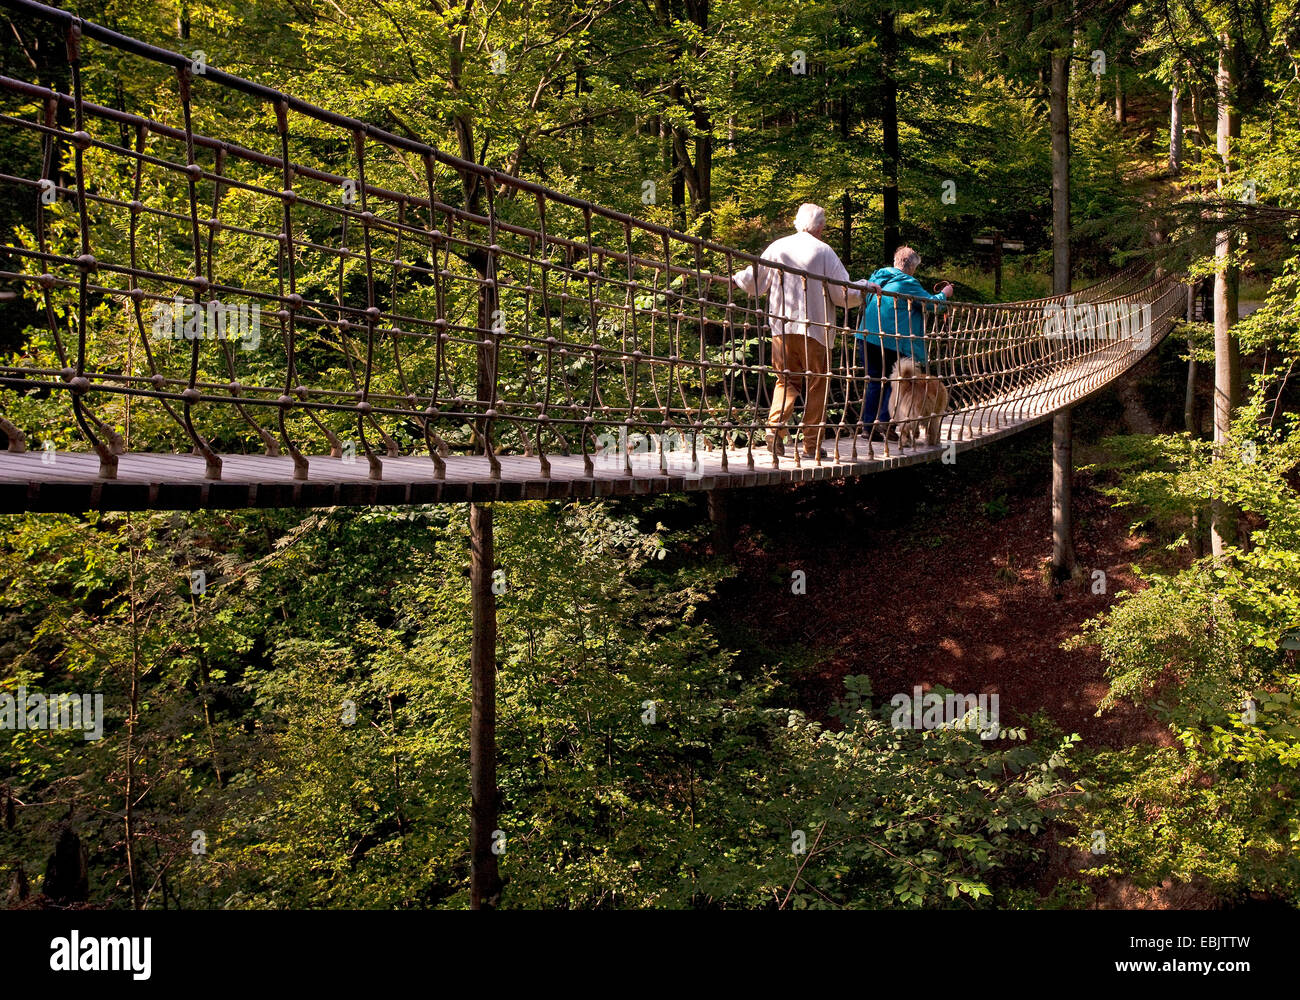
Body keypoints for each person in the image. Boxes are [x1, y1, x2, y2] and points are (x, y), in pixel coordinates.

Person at [732, 204, 880, 458]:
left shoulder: (778, 246)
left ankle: (774, 428)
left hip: (782, 327)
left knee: (786, 380)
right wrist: (865, 286)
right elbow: (841, 292)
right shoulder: (824, 251)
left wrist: (737, 279)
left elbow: (755, 279)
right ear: (820, 227)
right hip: (815, 330)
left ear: (797, 222)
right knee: (817, 384)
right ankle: (811, 444)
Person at [856, 246, 953, 441]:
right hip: (892, 340)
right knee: (896, 383)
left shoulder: (876, 278)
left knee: (874, 382)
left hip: (866, 336)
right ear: (912, 267)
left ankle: (868, 427)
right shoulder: (907, 282)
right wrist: (945, 294)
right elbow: (933, 304)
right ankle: (886, 423)